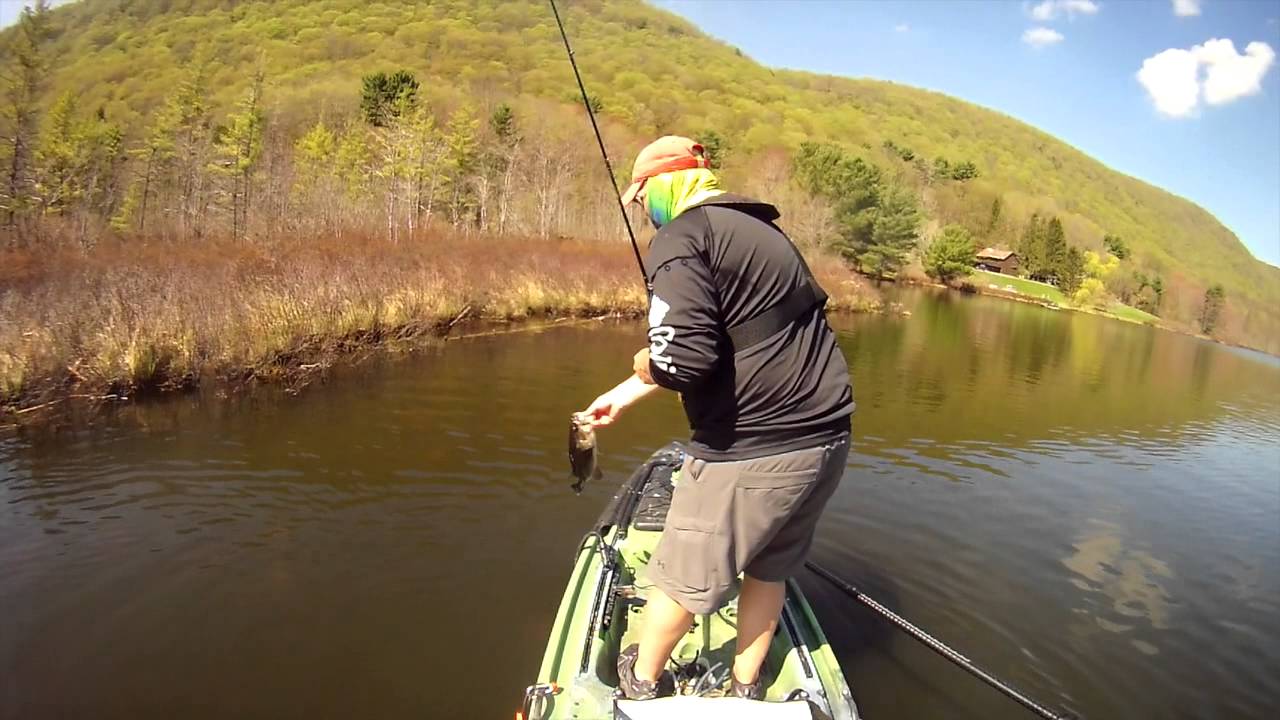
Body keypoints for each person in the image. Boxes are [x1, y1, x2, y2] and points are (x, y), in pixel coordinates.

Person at [579, 136, 855, 700]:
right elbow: (740, 338)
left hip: (752, 448)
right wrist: (628, 391)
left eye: (641, 196)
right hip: (826, 437)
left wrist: (646, 362)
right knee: (769, 569)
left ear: (665, 182)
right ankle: (744, 685)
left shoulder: (680, 237)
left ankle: (641, 679)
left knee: (682, 577)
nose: (641, 209)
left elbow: (685, 360)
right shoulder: (760, 232)